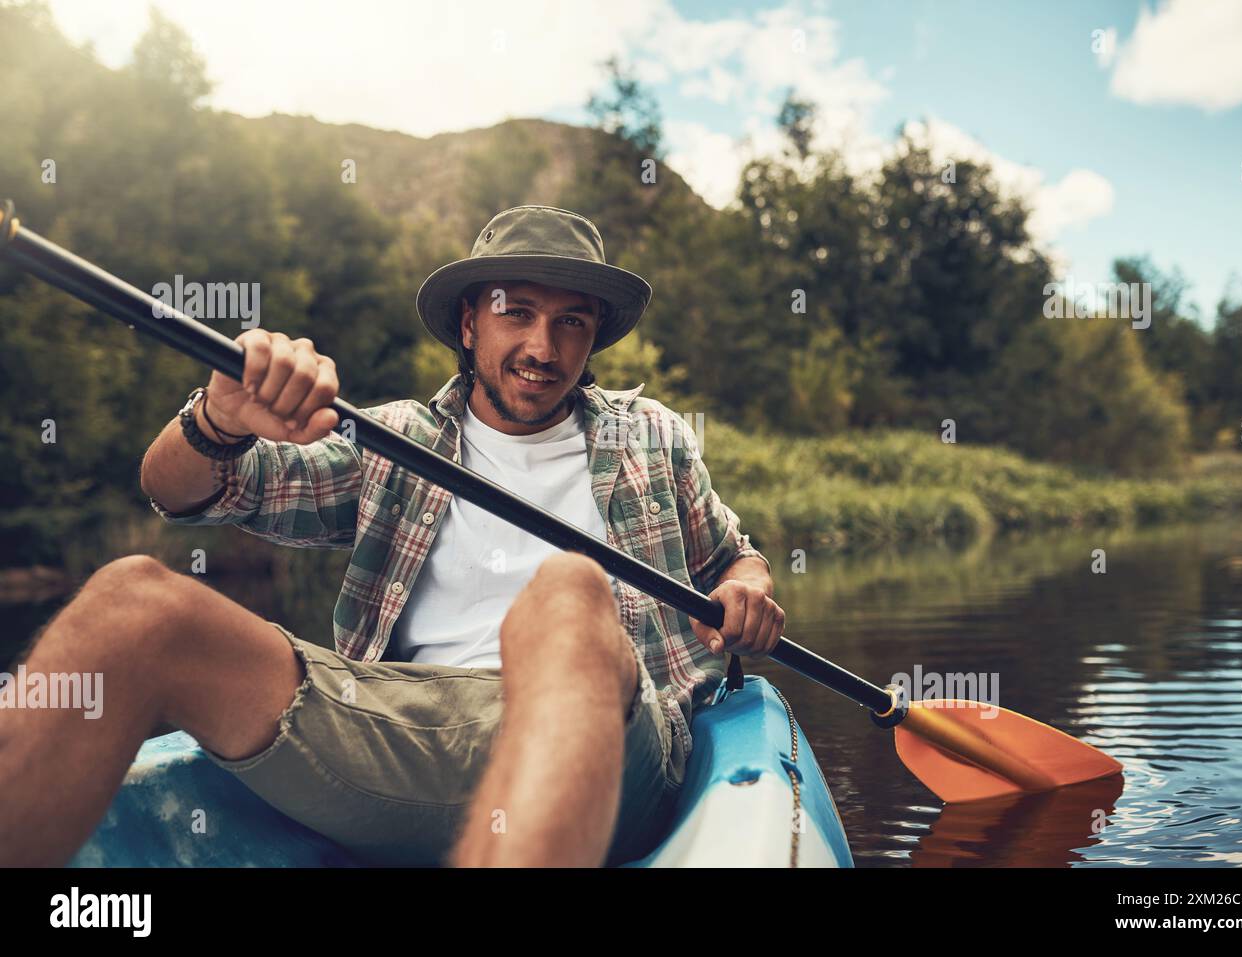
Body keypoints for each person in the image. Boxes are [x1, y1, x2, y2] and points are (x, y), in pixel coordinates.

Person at [0, 205, 783, 867]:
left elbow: (731, 556)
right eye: (518, 312)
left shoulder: (653, 435)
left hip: (616, 741)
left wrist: (748, 587)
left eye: (571, 322)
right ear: (470, 322)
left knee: (568, 592)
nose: (544, 348)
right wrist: (221, 420)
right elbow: (177, 490)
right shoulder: (392, 438)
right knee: (134, 604)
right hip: (405, 725)